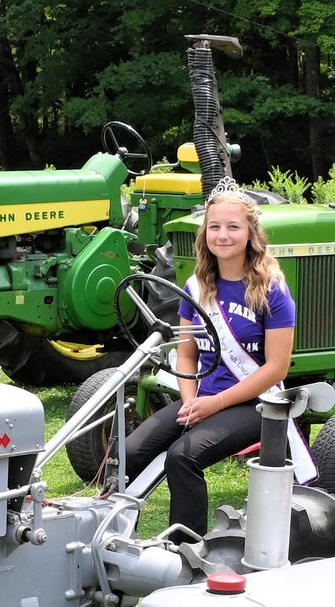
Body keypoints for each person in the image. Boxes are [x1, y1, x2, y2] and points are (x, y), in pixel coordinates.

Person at [123, 187, 311, 537]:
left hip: (256, 404)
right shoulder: (197, 286)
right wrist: (192, 399)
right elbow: (187, 352)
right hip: (204, 399)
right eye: (214, 227)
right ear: (205, 233)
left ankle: (185, 550)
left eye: (233, 227)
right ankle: (119, 540)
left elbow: (276, 369)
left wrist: (214, 404)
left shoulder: (272, 289)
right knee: (129, 451)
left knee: (183, 457)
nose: (223, 235)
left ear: (251, 233)